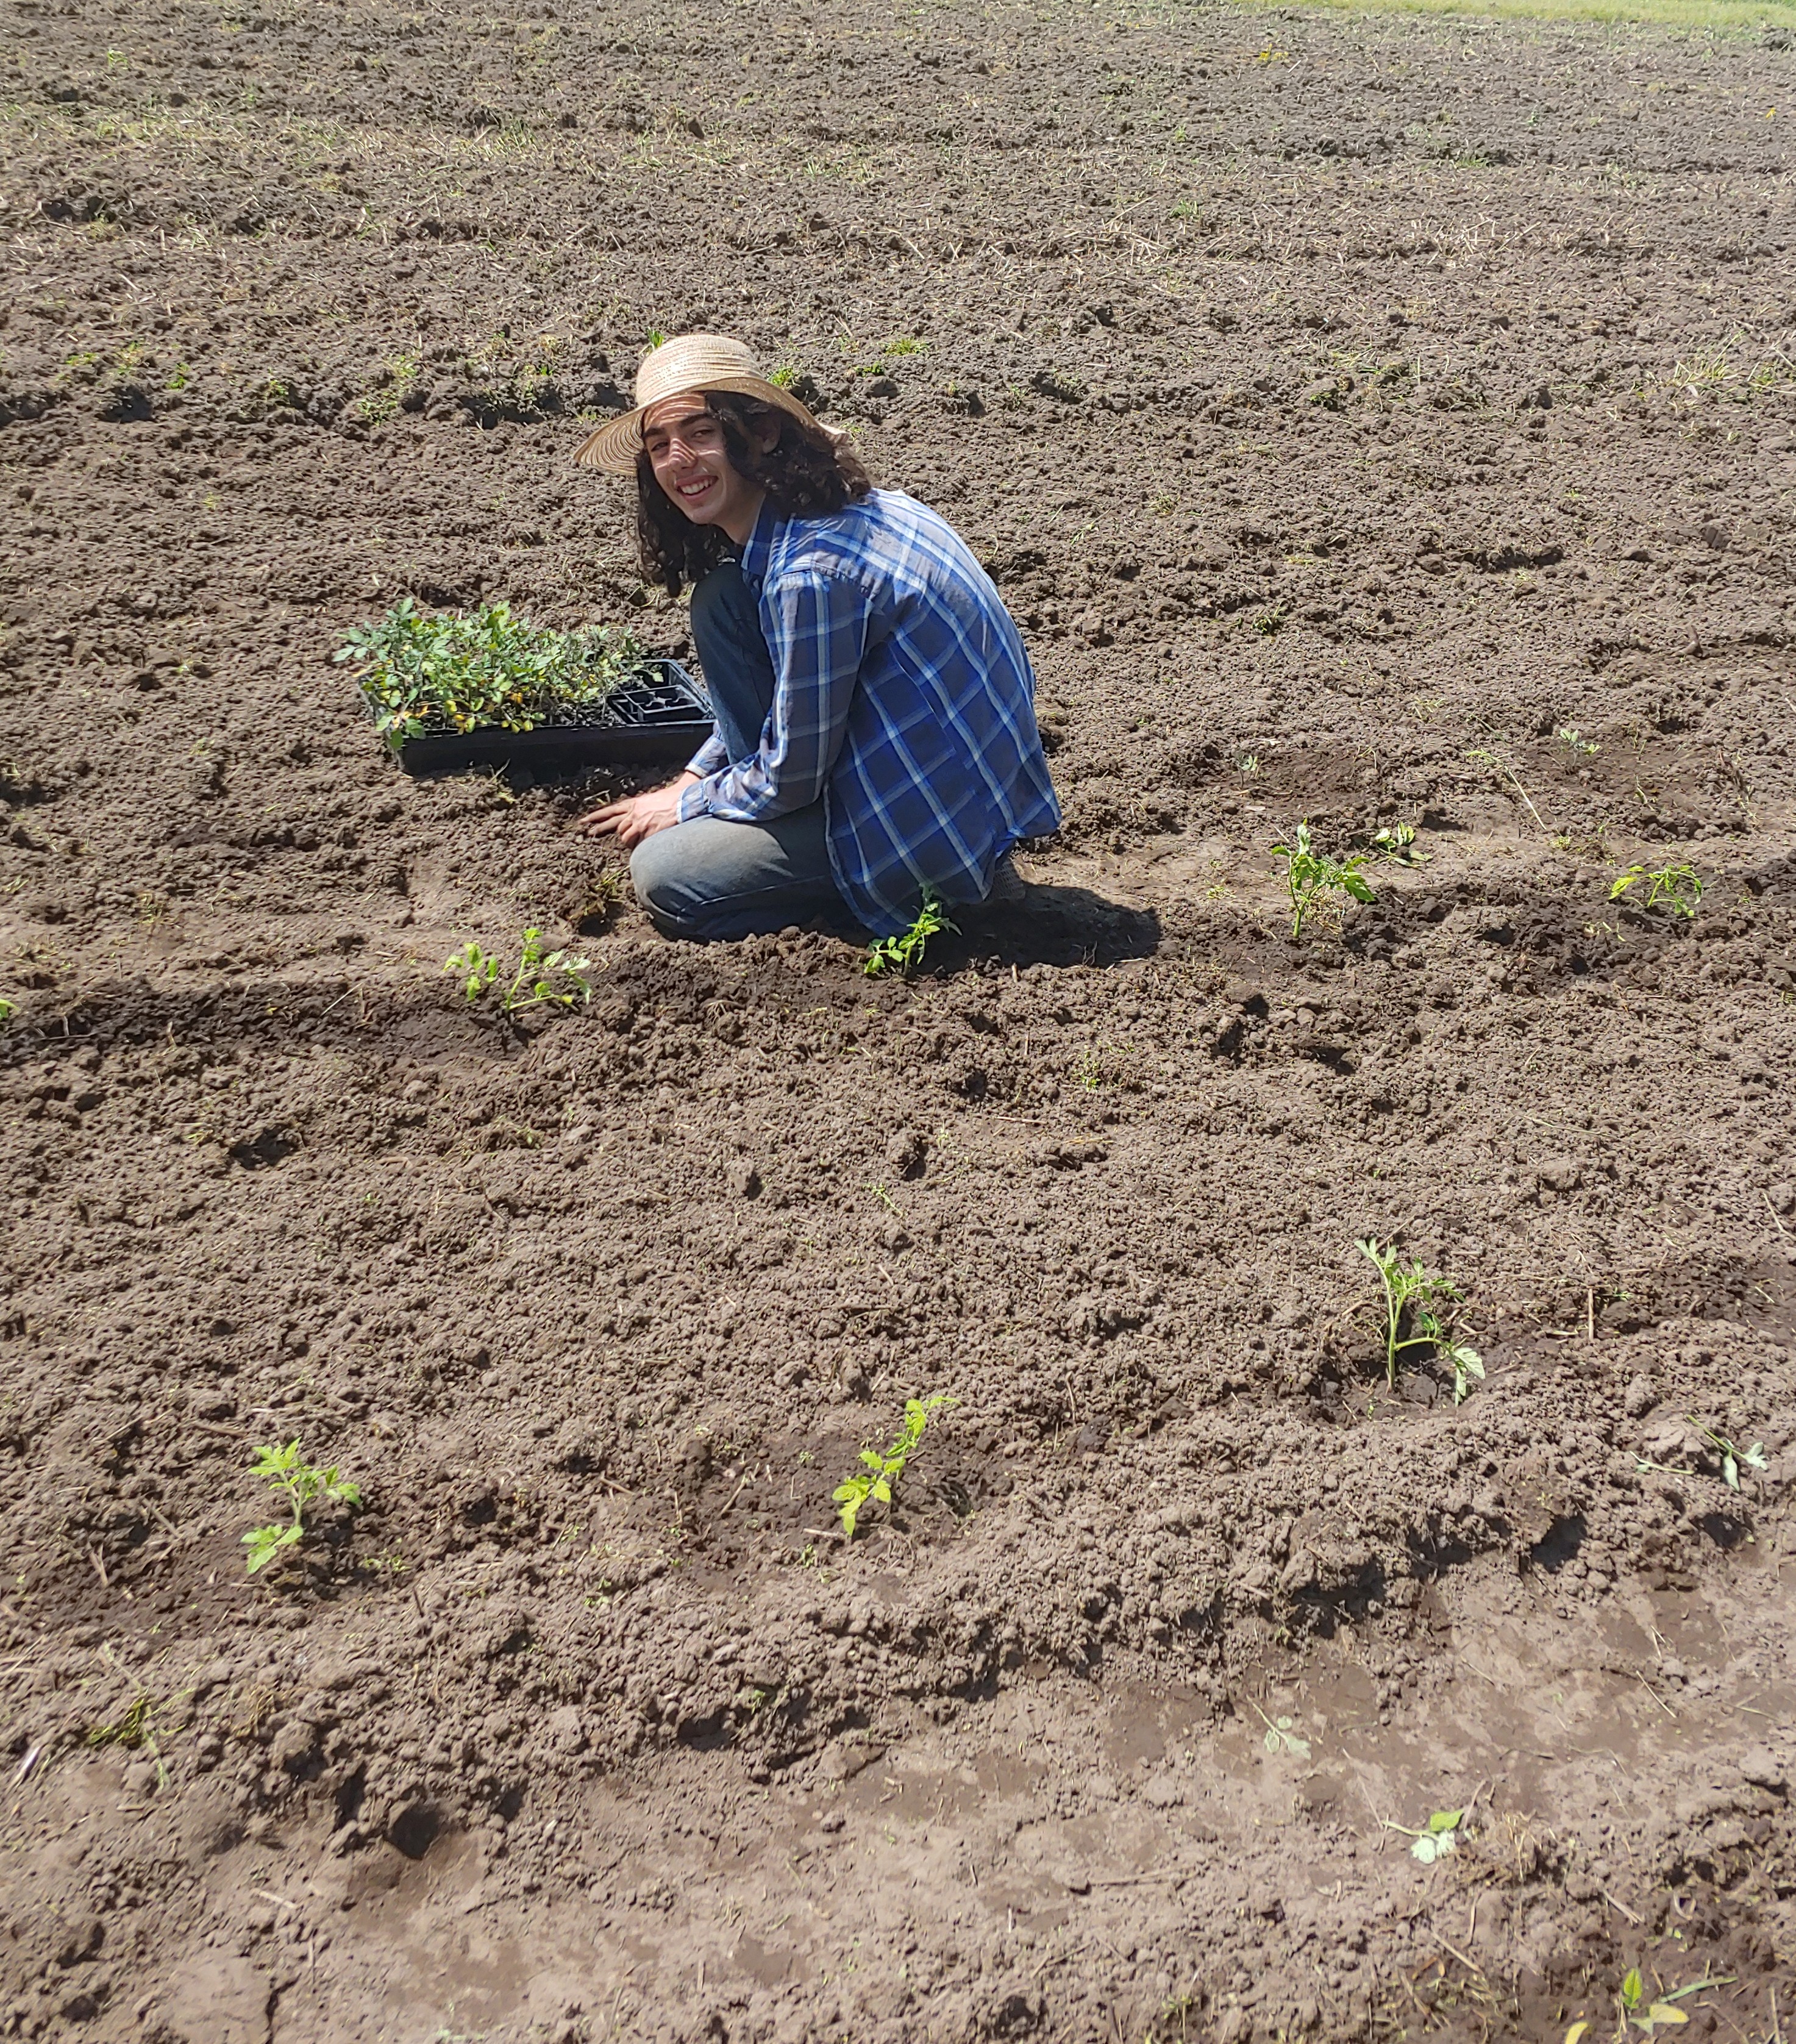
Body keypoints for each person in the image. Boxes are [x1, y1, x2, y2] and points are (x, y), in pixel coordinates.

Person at [570, 333, 1060, 942]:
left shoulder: (811, 577)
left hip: (927, 827)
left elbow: (792, 775)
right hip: (965, 790)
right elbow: (792, 710)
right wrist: (696, 779)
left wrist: (683, 808)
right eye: (660, 444)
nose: (678, 460)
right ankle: (797, 841)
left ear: (763, 434)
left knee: (667, 876)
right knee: (722, 603)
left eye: (701, 434)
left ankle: (910, 902)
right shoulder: (867, 510)